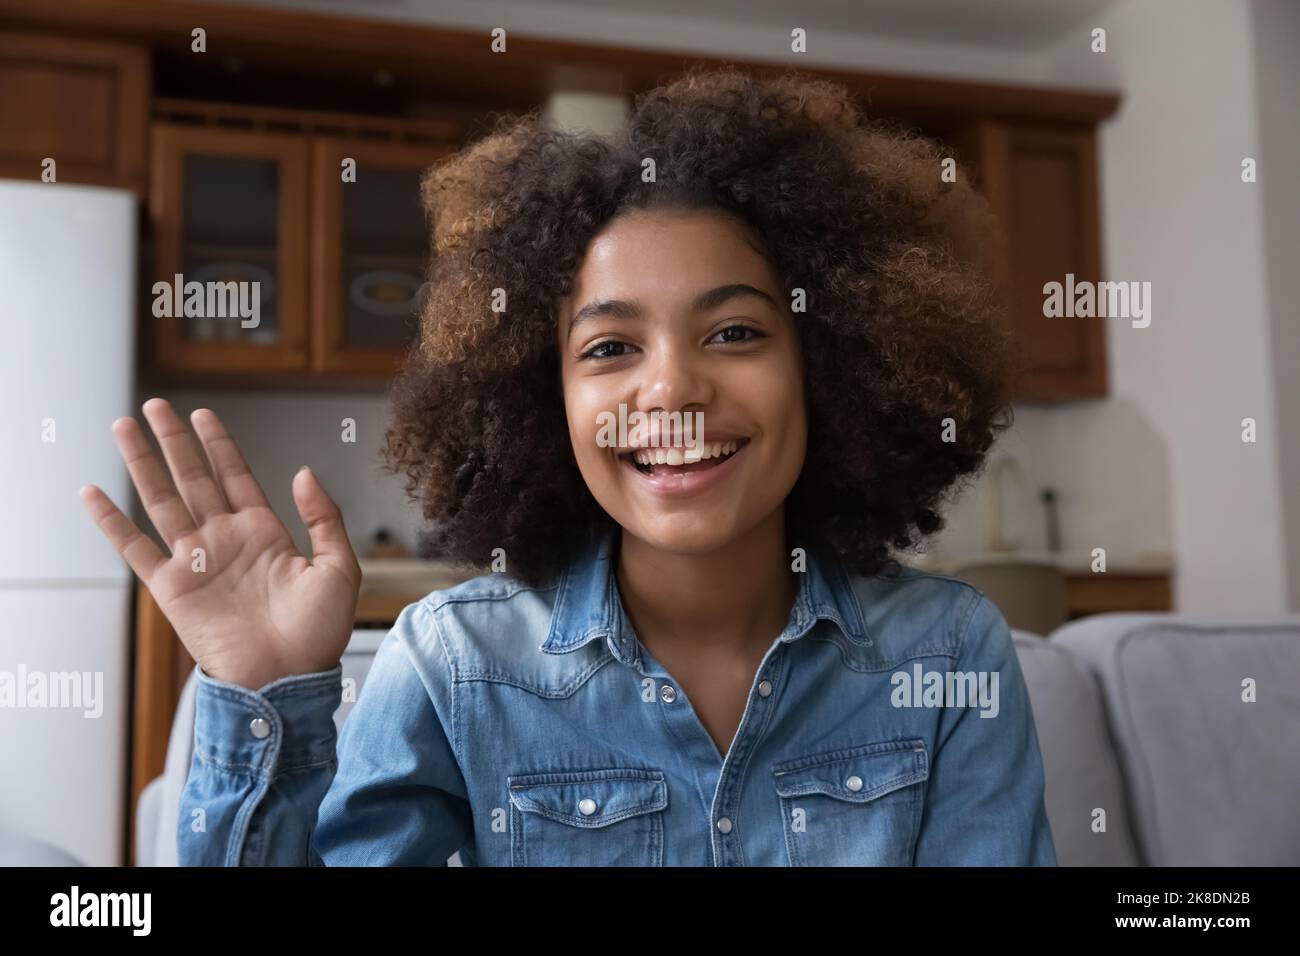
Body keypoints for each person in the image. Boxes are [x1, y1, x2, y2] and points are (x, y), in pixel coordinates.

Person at [80, 67, 1056, 866]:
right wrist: (264, 690)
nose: (672, 388)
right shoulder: (454, 664)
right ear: (542, 399)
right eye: (608, 347)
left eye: (733, 330)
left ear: (828, 366)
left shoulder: (947, 652)